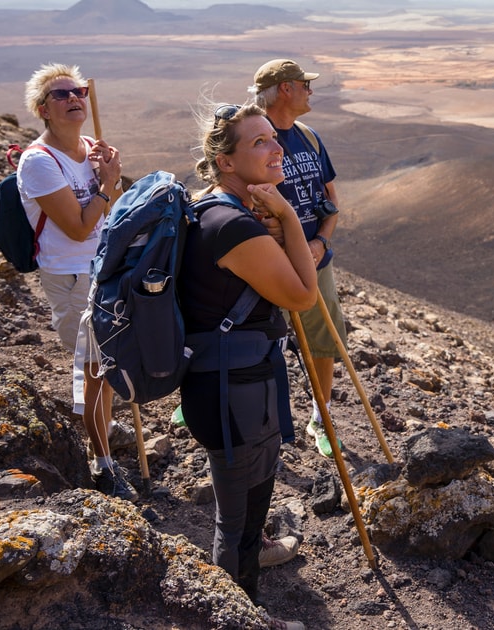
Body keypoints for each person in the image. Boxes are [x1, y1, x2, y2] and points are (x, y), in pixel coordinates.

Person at [179, 100, 317, 630]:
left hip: (233, 386)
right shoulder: (232, 226)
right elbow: (303, 295)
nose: (276, 147)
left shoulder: (213, 208)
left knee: (246, 517)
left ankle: (245, 607)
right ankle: (240, 619)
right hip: (232, 393)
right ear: (226, 161)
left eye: (272, 137)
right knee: (235, 526)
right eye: (259, 142)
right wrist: (285, 215)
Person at [16, 63, 137, 501]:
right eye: (61, 94)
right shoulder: (39, 162)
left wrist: (112, 178)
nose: (74, 98)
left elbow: (112, 214)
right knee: (93, 373)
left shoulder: (91, 147)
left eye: (79, 91)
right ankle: (102, 464)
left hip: (105, 270)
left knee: (104, 370)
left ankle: (102, 434)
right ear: (43, 110)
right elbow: (78, 227)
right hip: (71, 276)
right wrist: (106, 185)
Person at [250, 59, 349, 459]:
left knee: (324, 342)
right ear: (285, 89)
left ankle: (320, 417)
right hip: (266, 264)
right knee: (251, 340)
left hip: (315, 263)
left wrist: (321, 244)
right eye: (304, 84)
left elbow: (331, 202)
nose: (311, 90)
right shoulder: (252, 136)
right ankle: (209, 402)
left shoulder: (308, 136)